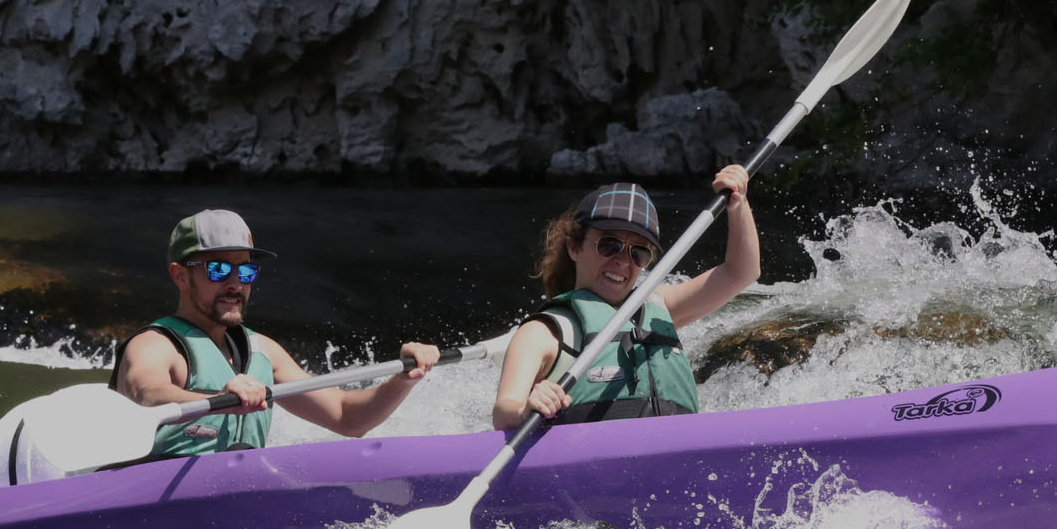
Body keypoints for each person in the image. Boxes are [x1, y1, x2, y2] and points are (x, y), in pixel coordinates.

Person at [111, 209, 441, 458]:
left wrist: (404, 379)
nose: (235, 283)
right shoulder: (155, 345)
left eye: (246, 269)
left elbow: (347, 417)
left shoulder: (263, 350)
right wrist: (218, 402)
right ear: (181, 276)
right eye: (219, 268)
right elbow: (147, 393)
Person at [491, 166, 759, 429]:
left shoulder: (659, 307)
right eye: (609, 244)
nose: (622, 261)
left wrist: (738, 205)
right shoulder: (543, 333)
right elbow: (504, 413)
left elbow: (741, 273)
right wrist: (528, 407)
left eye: (638, 253)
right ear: (574, 246)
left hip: (675, 461)